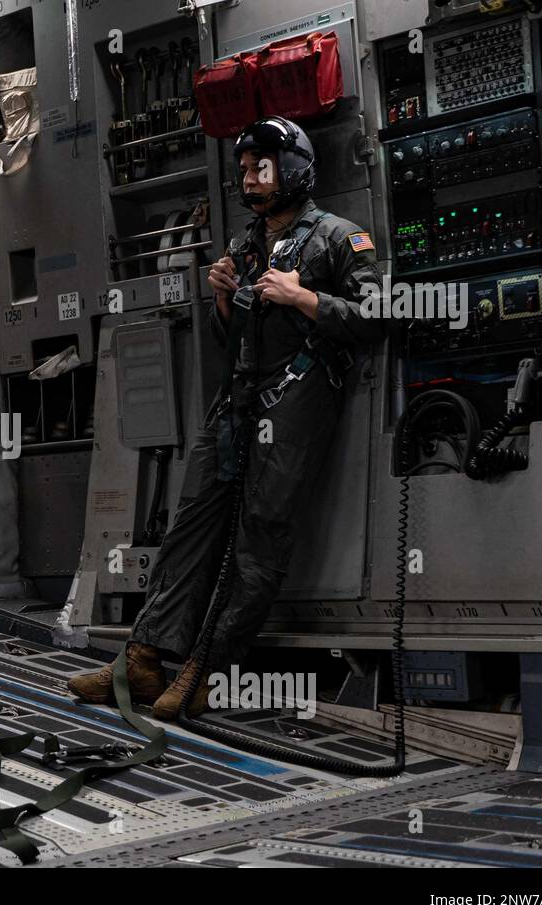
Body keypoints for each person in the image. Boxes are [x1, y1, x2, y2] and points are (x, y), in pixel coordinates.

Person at [69, 116, 386, 720]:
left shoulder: (341, 239)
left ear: (290, 168)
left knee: (258, 536)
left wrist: (303, 297)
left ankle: (209, 670)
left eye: (257, 167)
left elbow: (374, 314)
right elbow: (233, 333)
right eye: (242, 169)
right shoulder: (245, 245)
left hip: (297, 400)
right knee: (190, 527)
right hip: (235, 400)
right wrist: (222, 297)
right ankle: (140, 659)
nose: (246, 178)